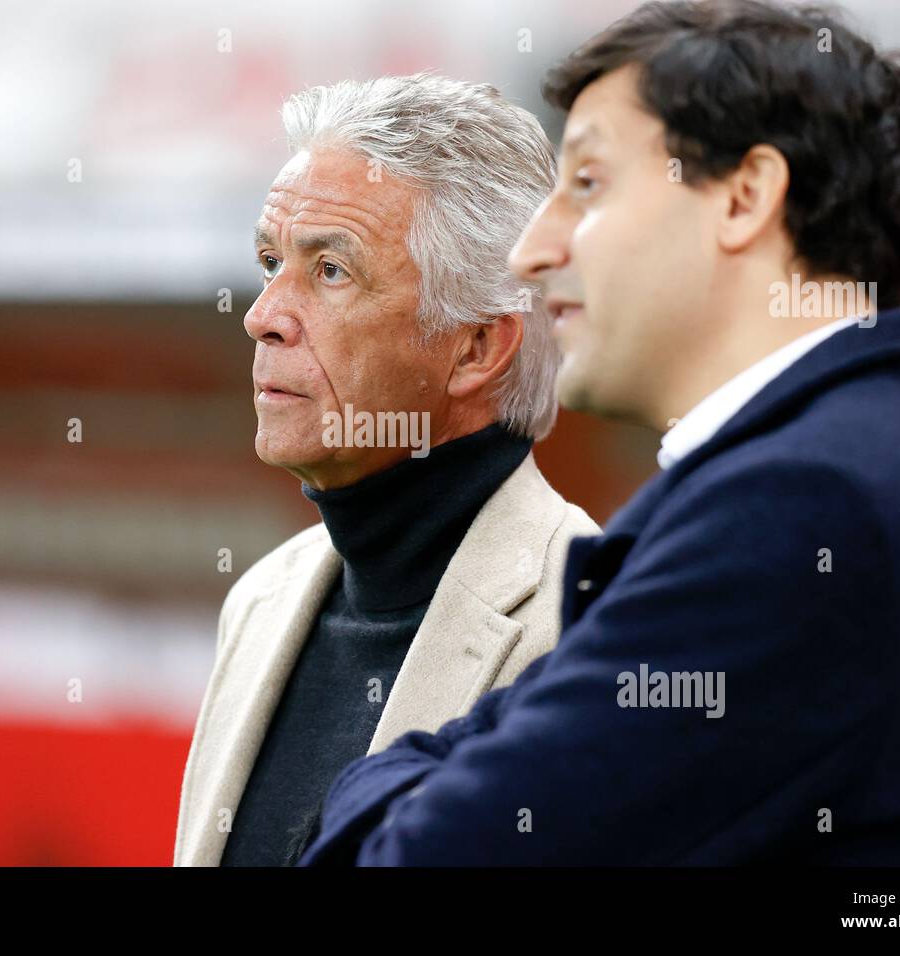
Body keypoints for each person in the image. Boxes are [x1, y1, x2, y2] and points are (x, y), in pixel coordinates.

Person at [299, 0, 900, 866]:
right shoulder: (846, 469)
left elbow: (431, 853)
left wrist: (363, 781)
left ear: (746, 197)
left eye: (590, 184)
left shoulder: (803, 509)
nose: (532, 250)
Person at [173, 73, 598, 866]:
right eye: (270, 262)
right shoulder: (261, 600)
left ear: (477, 346)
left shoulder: (586, 631)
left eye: (330, 270)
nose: (263, 315)